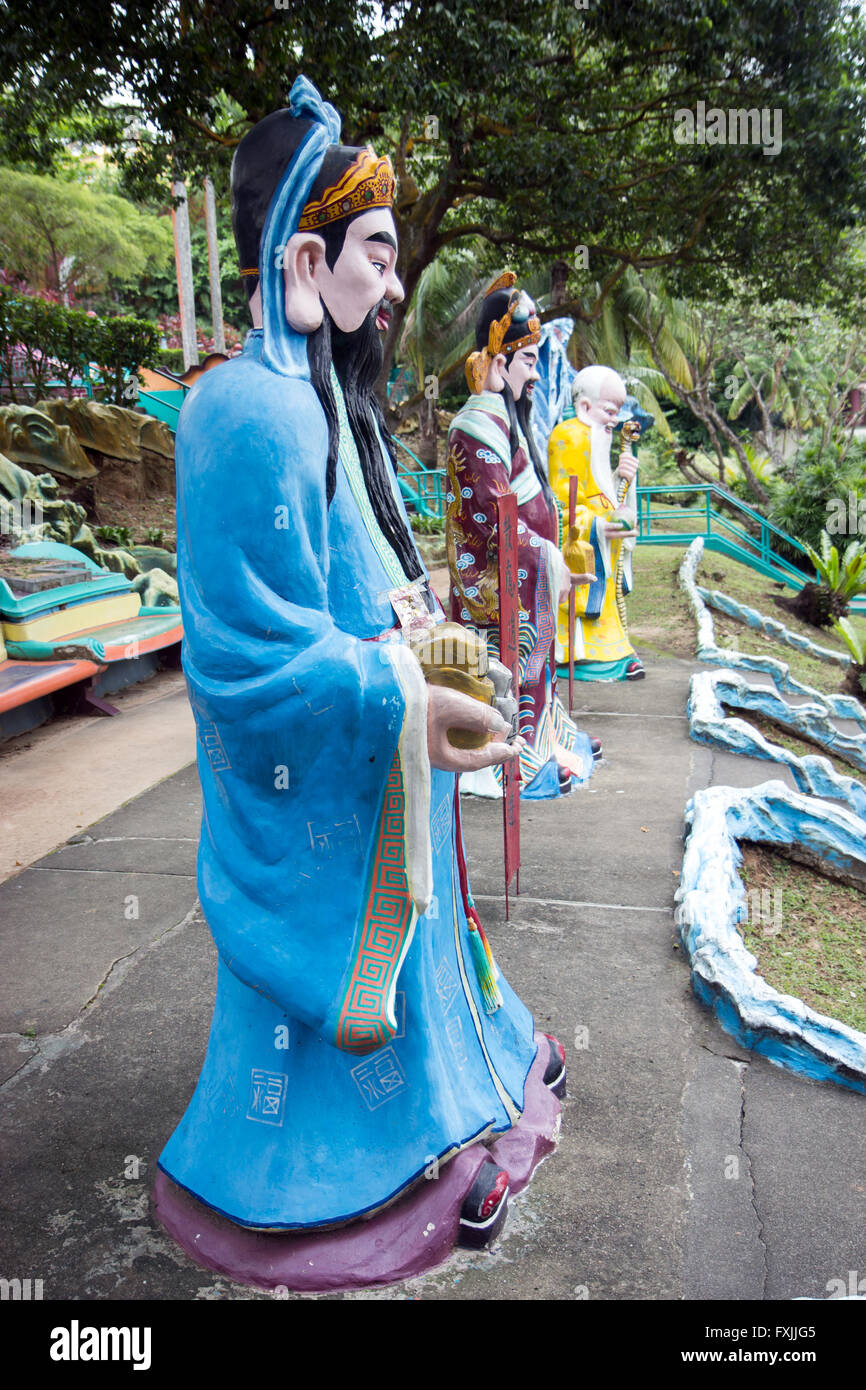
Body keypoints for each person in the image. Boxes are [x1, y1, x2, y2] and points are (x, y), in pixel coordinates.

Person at [155, 79, 563, 1289]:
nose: (393, 288)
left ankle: (459, 1107)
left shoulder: (331, 397)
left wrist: (437, 645)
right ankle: (345, 1170)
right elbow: (240, 654)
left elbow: (370, 570)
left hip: (397, 743)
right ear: (302, 256)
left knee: (444, 943)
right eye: (376, 256)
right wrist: (393, 694)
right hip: (335, 766)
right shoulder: (239, 410)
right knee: (341, 1015)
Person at [446, 275, 600, 799]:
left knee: (536, 664)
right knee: (506, 672)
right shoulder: (475, 427)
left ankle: (542, 736)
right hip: (491, 580)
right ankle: (507, 755)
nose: (535, 375)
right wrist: (545, 556)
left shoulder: (507, 422)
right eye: (528, 361)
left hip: (522, 573)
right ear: (496, 358)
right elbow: (491, 518)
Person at [548, 364, 645, 681]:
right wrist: (596, 527)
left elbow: (602, 490)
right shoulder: (570, 436)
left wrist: (623, 477)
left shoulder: (599, 439)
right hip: (586, 541)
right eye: (608, 411)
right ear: (585, 407)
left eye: (617, 412)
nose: (614, 421)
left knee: (608, 610)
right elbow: (562, 502)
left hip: (606, 541)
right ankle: (579, 656)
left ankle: (615, 653)